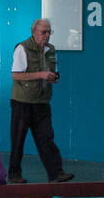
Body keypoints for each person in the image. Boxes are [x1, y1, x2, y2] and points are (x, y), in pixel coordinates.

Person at [8, 17, 74, 184]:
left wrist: (53, 78)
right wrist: (41, 75)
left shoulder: (51, 50)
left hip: (42, 101)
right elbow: (16, 75)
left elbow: (54, 71)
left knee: (46, 138)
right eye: (43, 32)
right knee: (18, 140)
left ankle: (56, 173)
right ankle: (14, 174)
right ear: (34, 32)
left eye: (49, 32)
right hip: (22, 101)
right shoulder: (22, 48)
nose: (46, 36)